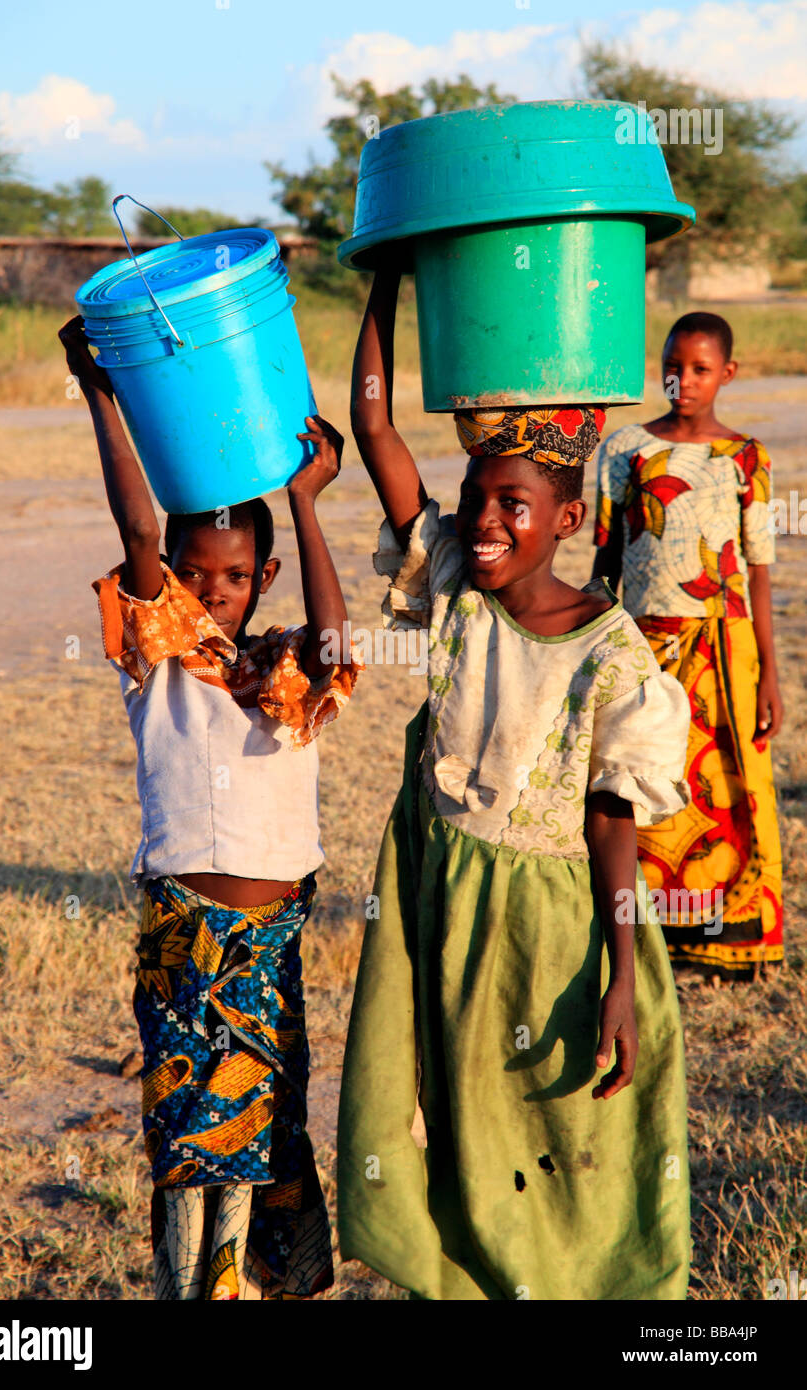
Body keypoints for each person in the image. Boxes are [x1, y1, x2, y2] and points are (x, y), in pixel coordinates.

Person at [336, 266, 693, 1301]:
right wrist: (384, 284)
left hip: (549, 916)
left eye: (514, 505)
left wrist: (621, 973)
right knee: (445, 1110)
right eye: (474, 502)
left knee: (551, 1127)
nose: (486, 523)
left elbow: (611, 823)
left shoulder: (611, 654)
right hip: (436, 892)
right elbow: (375, 435)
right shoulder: (451, 585)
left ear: (568, 516)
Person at [59, 315, 360, 1301]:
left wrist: (303, 502)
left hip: (271, 937)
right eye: (194, 575)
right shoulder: (156, 651)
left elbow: (329, 631)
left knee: (268, 1132)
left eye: (234, 576)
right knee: (193, 1151)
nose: (211, 590)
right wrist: (100, 390)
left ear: (262, 577)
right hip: (186, 933)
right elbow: (139, 530)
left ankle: (267, 1282)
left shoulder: (283, 671)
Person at [592, 311, 783, 982]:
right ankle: (644, 928)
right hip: (645, 642)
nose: (684, 380)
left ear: (727, 373)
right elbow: (606, 557)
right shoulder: (626, 449)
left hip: (726, 648)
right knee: (644, 778)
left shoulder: (746, 458)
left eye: (701, 368)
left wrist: (769, 675)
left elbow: (757, 569)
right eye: (674, 365)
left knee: (730, 785)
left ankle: (732, 931)